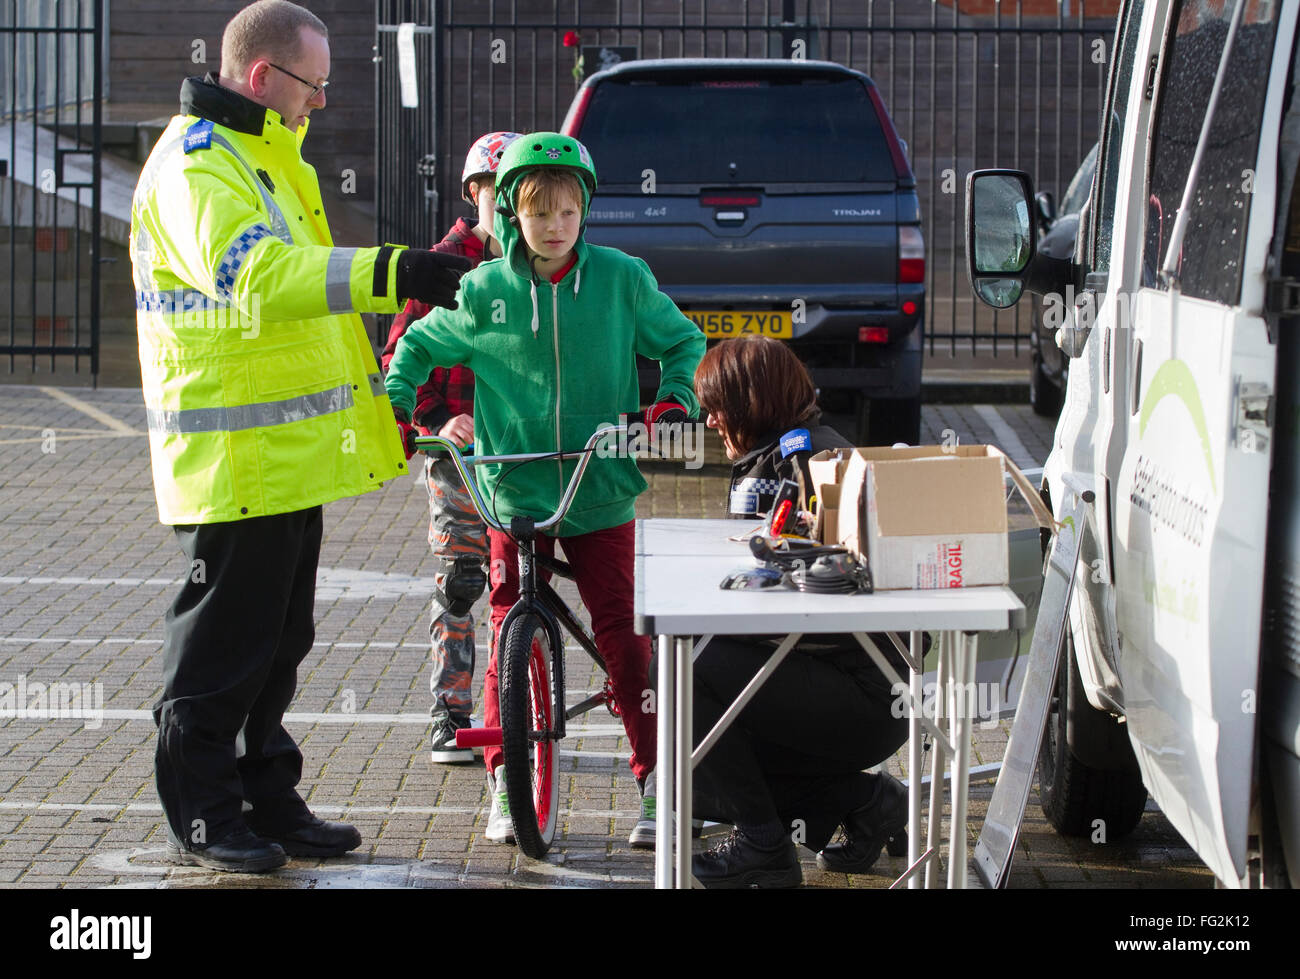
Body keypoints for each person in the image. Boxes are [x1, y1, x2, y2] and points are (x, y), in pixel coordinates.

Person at [131, 0, 471, 873]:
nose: (319, 104)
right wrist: (395, 269)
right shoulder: (197, 167)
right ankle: (205, 815)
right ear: (261, 77)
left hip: (283, 459)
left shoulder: (271, 161)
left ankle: (266, 796)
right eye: (313, 87)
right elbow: (259, 275)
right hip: (234, 461)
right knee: (219, 652)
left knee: (277, 645)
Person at [386, 132, 705, 848]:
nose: (554, 226)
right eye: (537, 212)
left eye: (567, 211)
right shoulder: (482, 289)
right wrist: (416, 410)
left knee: (623, 635)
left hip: (598, 485)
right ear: (509, 214)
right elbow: (412, 348)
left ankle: (657, 781)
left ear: (585, 210)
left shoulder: (622, 279)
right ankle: (507, 776)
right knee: (506, 625)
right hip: (512, 487)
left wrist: (676, 397)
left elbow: (682, 340)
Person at [688, 335, 910, 887]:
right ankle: (865, 803)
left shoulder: (795, 466)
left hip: (861, 691)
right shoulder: (806, 448)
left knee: (681, 678)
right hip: (868, 687)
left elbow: (775, 598)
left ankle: (765, 844)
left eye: (718, 407)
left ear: (750, 402)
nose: (710, 421)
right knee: (689, 752)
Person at [382, 131, 523, 766]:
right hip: (460, 460)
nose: (516, 205)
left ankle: (518, 713)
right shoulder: (445, 266)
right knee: (462, 581)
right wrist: (439, 419)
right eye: (500, 190)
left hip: (526, 455)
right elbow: (398, 358)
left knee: (523, 587)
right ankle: (451, 714)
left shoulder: (542, 267)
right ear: (474, 193)